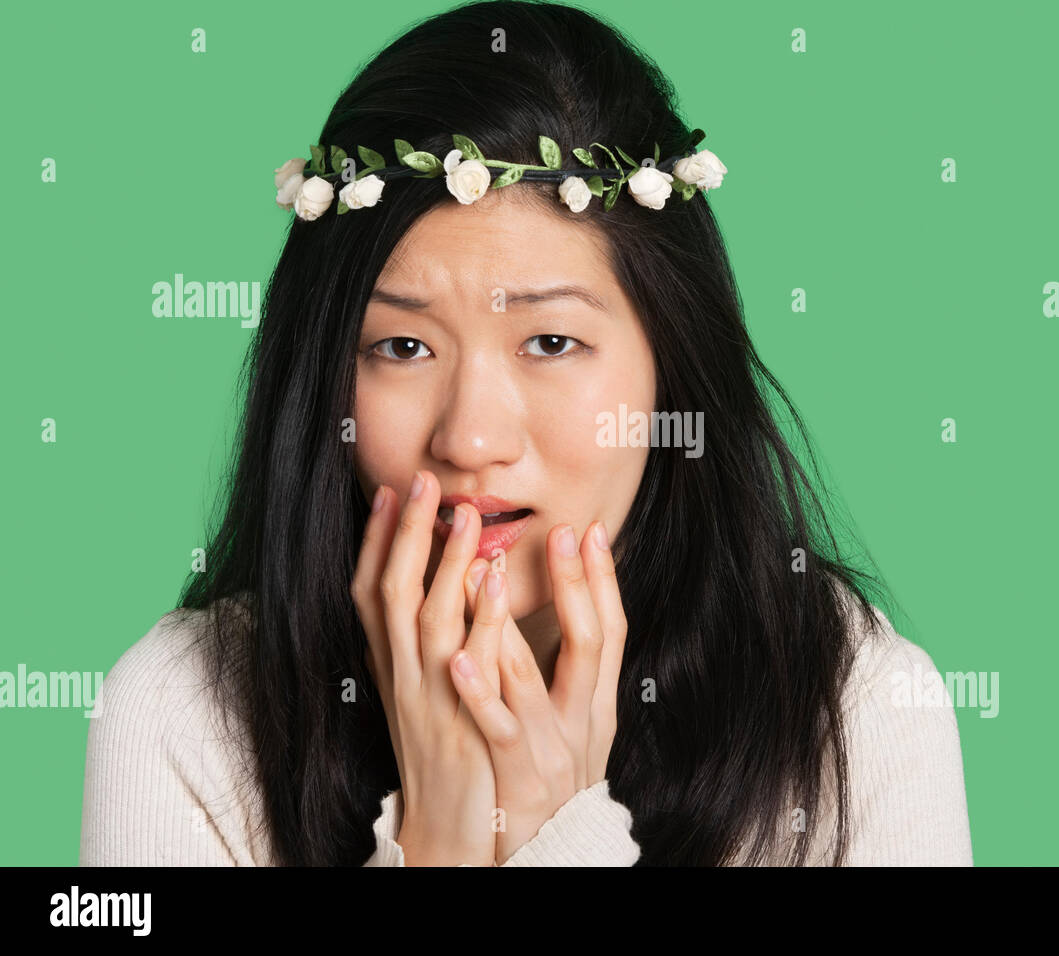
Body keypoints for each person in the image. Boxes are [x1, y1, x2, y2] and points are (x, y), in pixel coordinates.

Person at [79, 0, 973, 866]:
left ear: (672, 361)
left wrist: (560, 833)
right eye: (401, 345)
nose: (470, 440)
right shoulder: (181, 714)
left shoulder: (856, 709)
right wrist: (442, 845)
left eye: (551, 342)